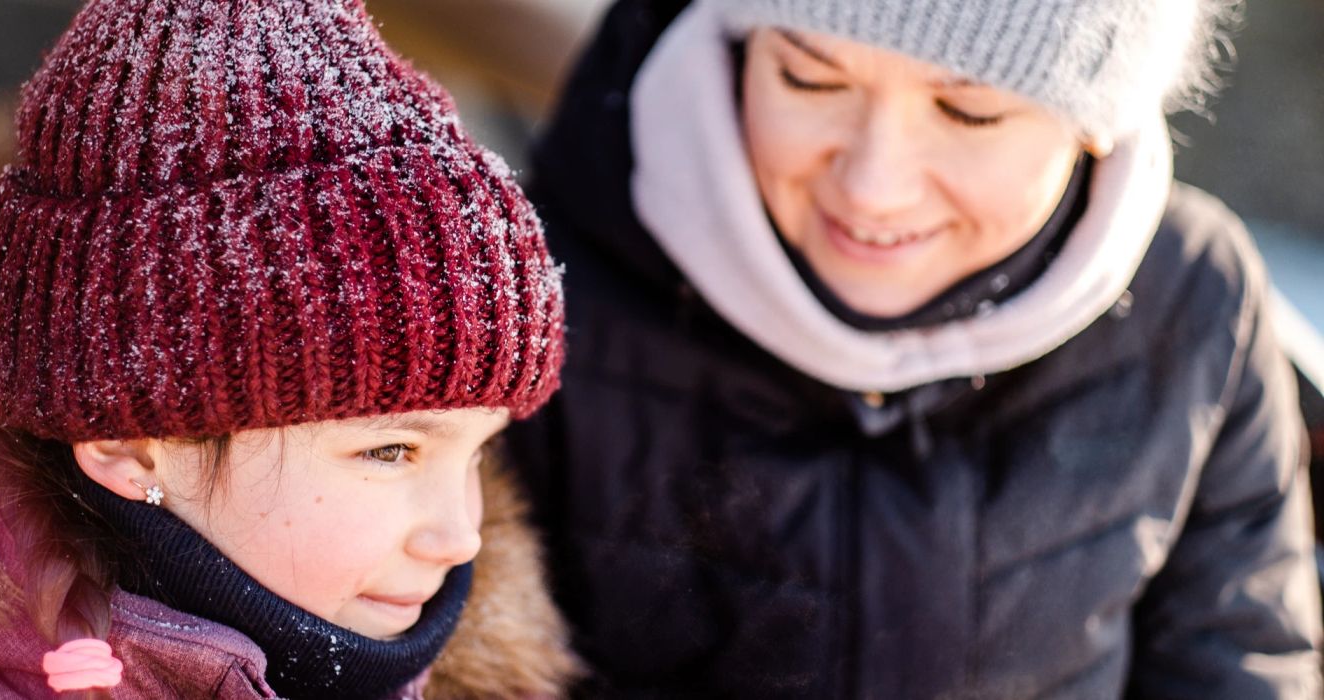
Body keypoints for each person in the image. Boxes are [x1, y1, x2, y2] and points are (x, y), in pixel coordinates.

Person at [507, 0, 1323, 696]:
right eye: (810, 78)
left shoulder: (1193, 302)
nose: (872, 185)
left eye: (970, 111)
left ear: (1094, 122)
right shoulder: (543, 277)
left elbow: (1235, 663)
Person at [0, 0, 580, 697]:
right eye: (391, 451)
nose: (461, 538)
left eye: (477, 450)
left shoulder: (464, 658)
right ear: (129, 444)